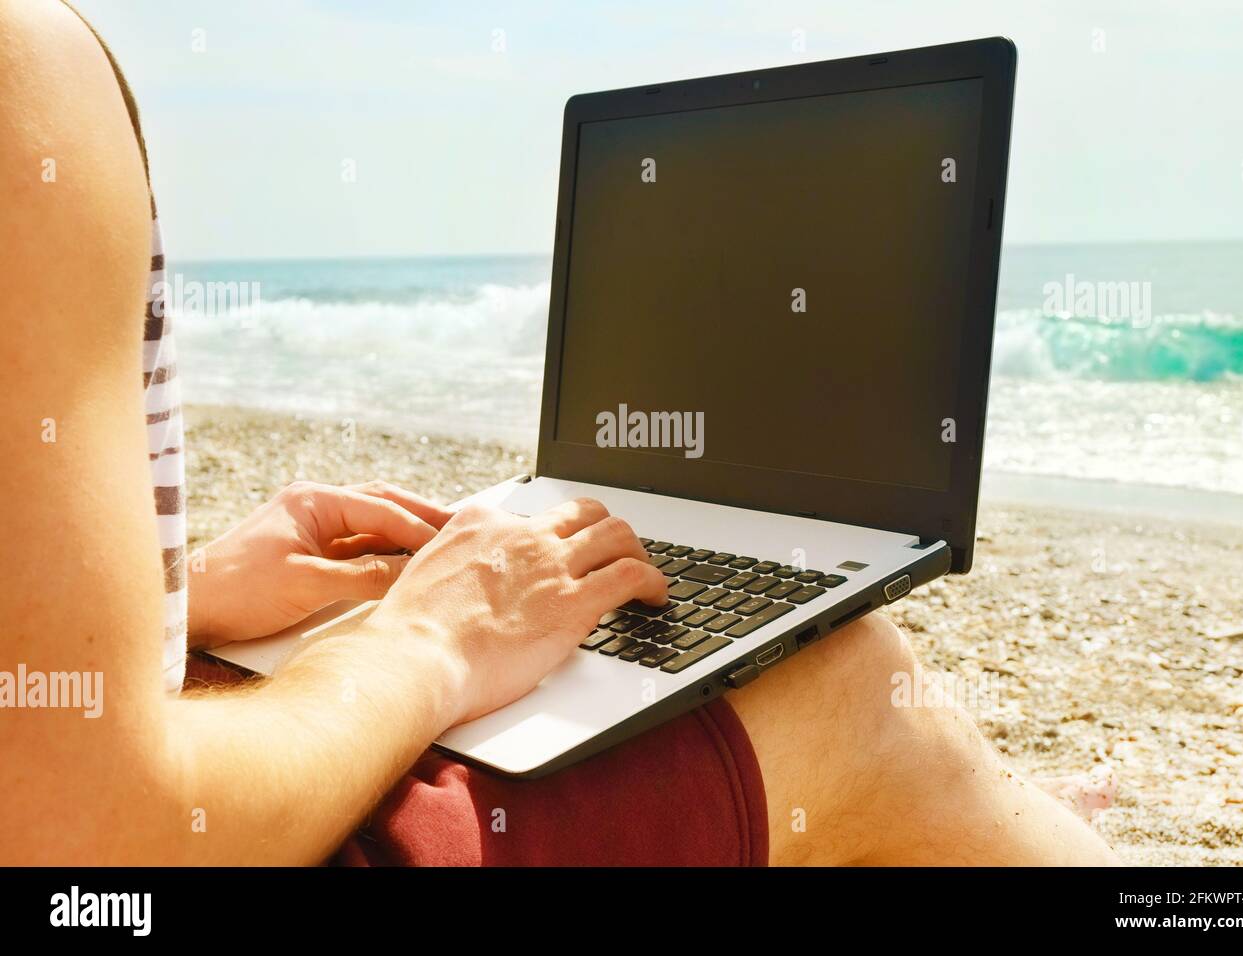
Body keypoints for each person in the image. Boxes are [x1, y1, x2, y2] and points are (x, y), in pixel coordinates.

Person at [0, 0, 1118, 866]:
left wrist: (175, 601)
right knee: (847, 683)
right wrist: (425, 643)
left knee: (543, 674)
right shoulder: (23, 66)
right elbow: (87, 843)